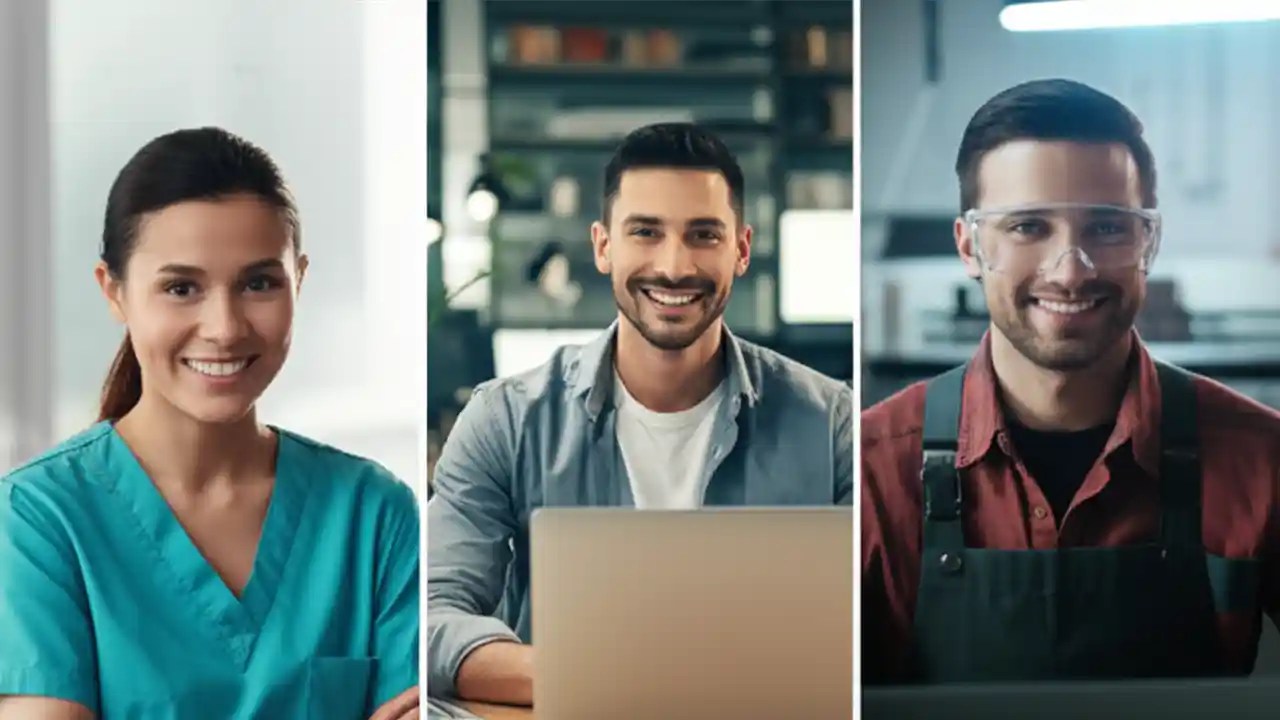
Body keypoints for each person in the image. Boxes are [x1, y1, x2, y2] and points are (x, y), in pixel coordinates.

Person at [861, 78, 1280, 685]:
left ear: (1148, 241)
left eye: (1107, 227)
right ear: (970, 247)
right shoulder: (873, 471)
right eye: (1029, 227)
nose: (1070, 270)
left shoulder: (1261, 458)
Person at [0, 128, 420, 719]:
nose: (224, 327)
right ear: (114, 291)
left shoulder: (373, 514)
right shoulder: (38, 520)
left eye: (258, 283)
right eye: (181, 288)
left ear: (298, 279)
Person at [427, 122, 853, 705]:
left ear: (742, 249)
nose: (674, 265)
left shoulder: (831, 422)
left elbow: (878, 619)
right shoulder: (505, 419)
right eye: (646, 232)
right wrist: (604, 674)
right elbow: (428, 617)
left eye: (703, 234)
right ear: (604, 246)